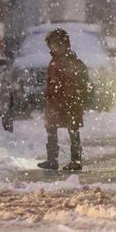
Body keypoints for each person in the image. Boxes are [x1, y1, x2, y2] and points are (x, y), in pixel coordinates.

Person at [37, 28, 89, 172]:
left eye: (57, 44)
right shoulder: (55, 61)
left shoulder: (68, 61)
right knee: (52, 129)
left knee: (72, 130)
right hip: (56, 102)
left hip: (68, 102)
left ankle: (75, 160)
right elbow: (52, 82)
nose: (54, 47)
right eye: (52, 44)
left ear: (64, 44)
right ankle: (53, 159)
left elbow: (71, 84)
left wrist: (67, 99)